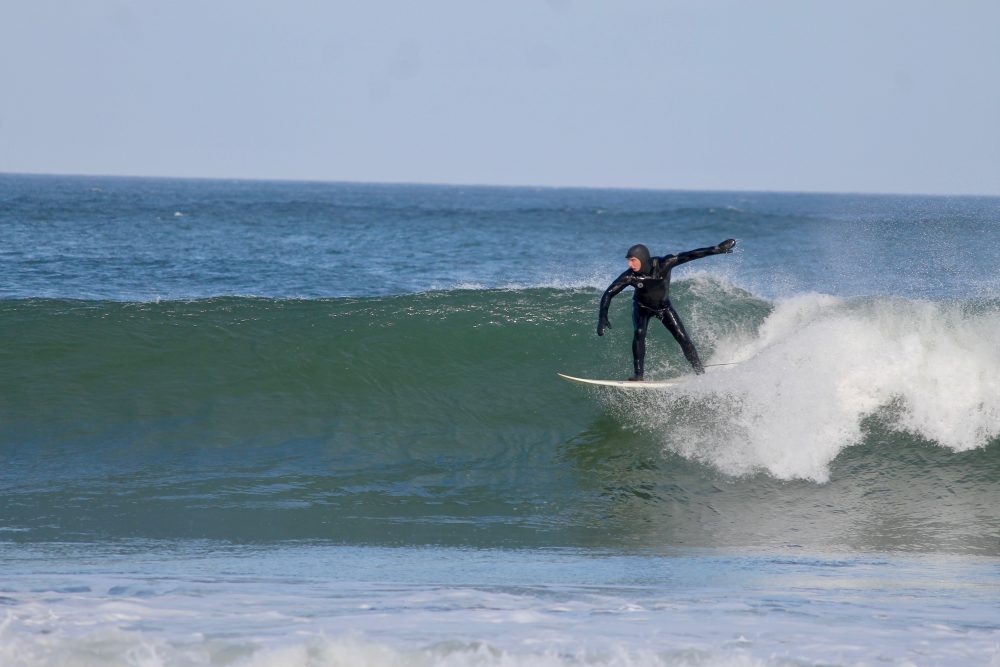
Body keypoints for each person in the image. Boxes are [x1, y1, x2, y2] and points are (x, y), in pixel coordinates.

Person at [597, 239, 736, 380]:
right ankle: (639, 375)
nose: (629, 264)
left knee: (682, 337)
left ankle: (700, 371)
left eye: (633, 260)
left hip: (663, 307)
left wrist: (717, 249)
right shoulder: (630, 276)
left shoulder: (664, 264)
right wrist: (602, 316)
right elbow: (609, 293)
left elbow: (690, 255)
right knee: (639, 332)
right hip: (642, 307)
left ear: (643, 258)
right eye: (628, 260)